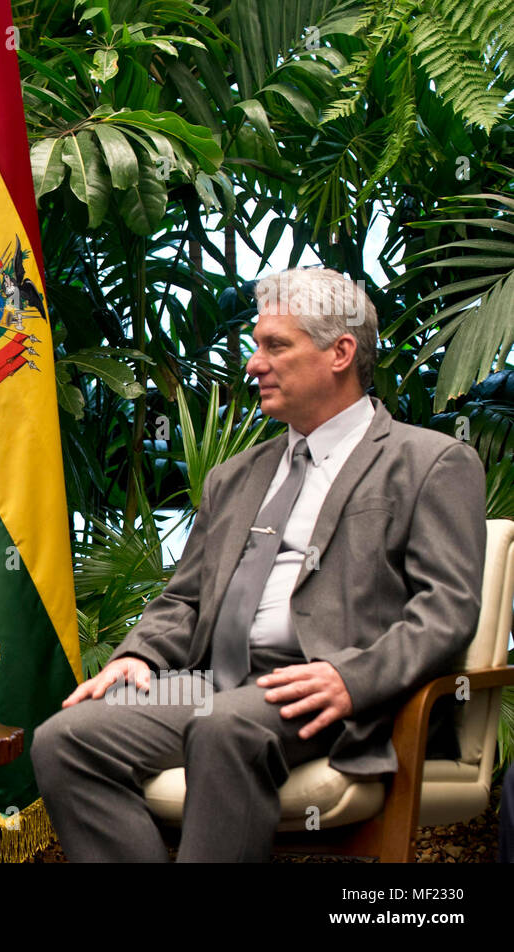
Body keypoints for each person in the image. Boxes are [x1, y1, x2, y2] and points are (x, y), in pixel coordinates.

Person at [32, 267, 487, 862]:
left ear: (340, 352)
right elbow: (184, 599)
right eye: (255, 345)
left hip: (325, 686)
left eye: (276, 345)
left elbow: (446, 609)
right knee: (65, 740)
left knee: (224, 725)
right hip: (211, 684)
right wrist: (139, 654)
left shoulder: (428, 462)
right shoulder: (236, 476)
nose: (253, 363)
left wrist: (353, 678)